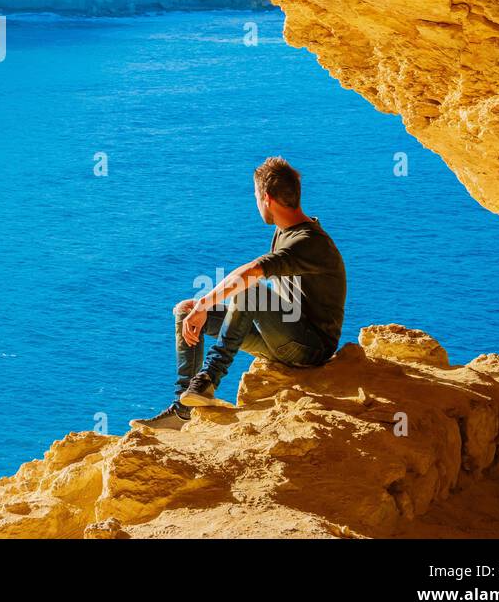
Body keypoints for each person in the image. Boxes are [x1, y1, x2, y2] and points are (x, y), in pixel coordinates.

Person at [132, 157, 346, 431]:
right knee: (187, 310)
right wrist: (200, 307)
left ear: (266, 198)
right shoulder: (285, 232)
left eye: (256, 196)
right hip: (283, 338)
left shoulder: (308, 241)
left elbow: (250, 274)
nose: (256, 203)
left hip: (311, 348)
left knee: (249, 291)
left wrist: (207, 303)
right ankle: (183, 408)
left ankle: (208, 380)